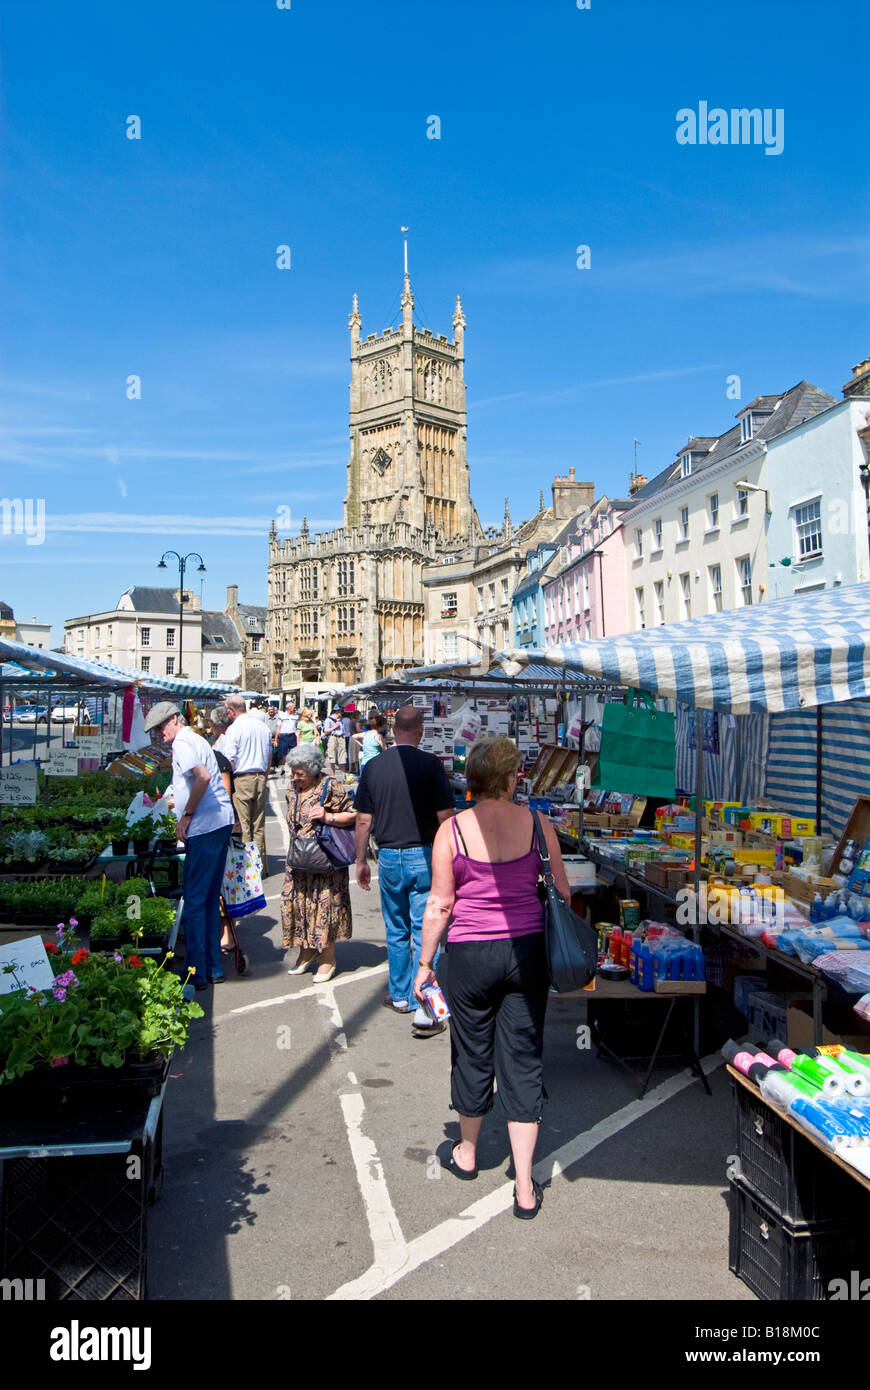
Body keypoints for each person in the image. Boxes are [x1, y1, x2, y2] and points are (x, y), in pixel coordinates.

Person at [413, 736, 571, 1219]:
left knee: (471, 1049)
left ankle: (468, 1151)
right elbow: (561, 891)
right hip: (525, 952)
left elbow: (440, 904)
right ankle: (525, 1182)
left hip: (469, 955)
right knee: (523, 1057)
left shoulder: (453, 831)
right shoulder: (538, 825)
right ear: (509, 778)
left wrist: (423, 964)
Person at [354, 704, 455, 1036]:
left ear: (392, 730)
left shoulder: (373, 766)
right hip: (423, 854)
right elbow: (445, 817)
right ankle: (426, 1004)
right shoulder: (430, 765)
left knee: (395, 929)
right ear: (421, 730)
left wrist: (360, 860)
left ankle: (400, 996)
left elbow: (363, 820)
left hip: (388, 855)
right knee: (424, 930)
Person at [143, 701, 234, 991]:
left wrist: (187, 815)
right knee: (207, 900)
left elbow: (204, 777)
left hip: (205, 825)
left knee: (195, 902)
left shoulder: (183, 742)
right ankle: (211, 968)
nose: (159, 734)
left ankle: (197, 970)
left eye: (159, 728)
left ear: (173, 720)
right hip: (218, 822)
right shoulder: (194, 737)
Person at [281, 743, 356, 982]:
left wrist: (328, 816)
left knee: (326, 907)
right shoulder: (292, 788)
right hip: (298, 860)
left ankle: (328, 957)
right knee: (297, 905)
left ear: (313, 769)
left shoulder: (330, 786)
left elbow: (354, 813)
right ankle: (307, 949)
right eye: (292, 772)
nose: (294, 777)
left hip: (324, 861)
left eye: (299, 773)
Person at [220, 694, 271, 871]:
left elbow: (229, 761)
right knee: (258, 824)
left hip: (243, 777)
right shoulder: (262, 727)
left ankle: (247, 866)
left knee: (244, 824)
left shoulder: (234, 729)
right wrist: (265, 776)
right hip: (260, 776)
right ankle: (257, 864)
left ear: (231, 711)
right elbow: (269, 755)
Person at [210, 704, 243, 954]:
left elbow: (225, 791)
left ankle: (227, 934)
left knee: (225, 882)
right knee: (223, 882)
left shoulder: (219, 759)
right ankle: (223, 931)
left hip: (226, 826)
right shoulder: (216, 754)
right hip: (223, 824)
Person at [322, 707, 347, 775]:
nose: (342, 713)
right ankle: (333, 776)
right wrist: (334, 727)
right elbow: (326, 732)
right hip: (333, 737)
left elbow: (343, 730)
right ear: (337, 711)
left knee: (343, 756)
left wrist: (343, 735)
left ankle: (343, 775)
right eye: (341, 711)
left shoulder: (340, 720)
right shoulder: (328, 720)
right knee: (332, 756)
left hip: (341, 738)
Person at [275, 702, 297, 769]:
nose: (295, 709)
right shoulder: (282, 716)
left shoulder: (296, 716)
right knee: (283, 754)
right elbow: (278, 728)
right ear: (289, 708)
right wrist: (276, 740)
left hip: (292, 736)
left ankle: (292, 769)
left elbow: (298, 727)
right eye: (294, 707)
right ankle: (282, 769)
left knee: (293, 754)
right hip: (283, 737)